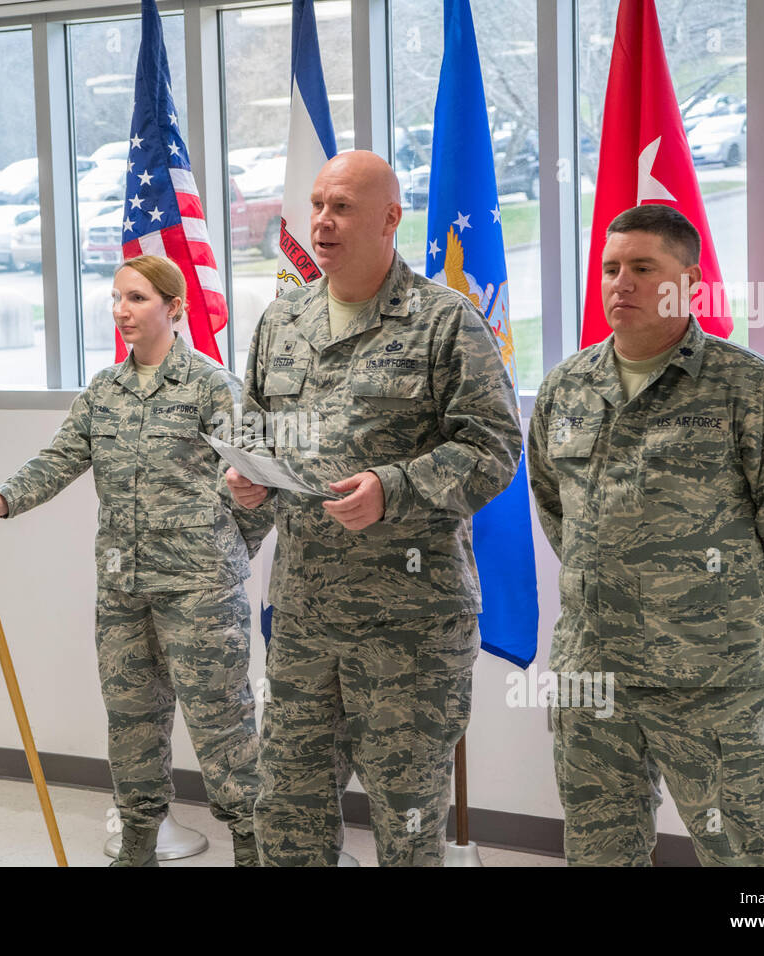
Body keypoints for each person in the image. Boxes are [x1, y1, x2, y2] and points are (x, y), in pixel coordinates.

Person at [227, 150, 523, 866]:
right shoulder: (282, 320)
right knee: (286, 815)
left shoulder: (445, 322)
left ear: (391, 218)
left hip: (411, 632)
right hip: (304, 622)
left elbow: (495, 447)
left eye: (343, 207)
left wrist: (397, 487)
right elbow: (254, 432)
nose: (323, 222)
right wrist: (248, 481)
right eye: (318, 205)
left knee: (408, 826)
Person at [527, 204, 764, 866]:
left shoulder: (750, 388)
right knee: (599, 851)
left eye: (643, 268)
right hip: (594, 667)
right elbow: (559, 508)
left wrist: (724, 615)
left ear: (688, 281)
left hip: (711, 675)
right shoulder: (567, 387)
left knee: (740, 853)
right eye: (611, 268)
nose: (622, 283)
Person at [0, 255, 269, 867]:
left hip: (200, 594)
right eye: (117, 298)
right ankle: (139, 847)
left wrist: (225, 553)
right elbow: (59, 459)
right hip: (124, 592)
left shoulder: (210, 385)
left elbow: (256, 486)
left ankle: (252, 851)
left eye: (138, 298)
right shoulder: (105, 390)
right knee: (131, 725)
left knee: (221, 727)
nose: (122, 310)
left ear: (174, 308)